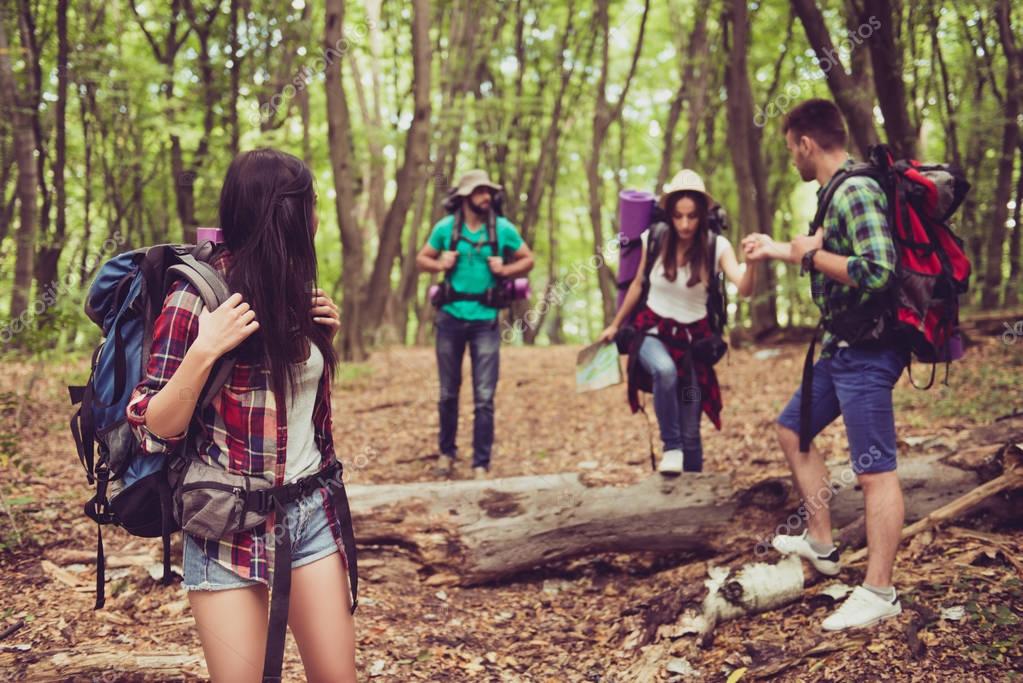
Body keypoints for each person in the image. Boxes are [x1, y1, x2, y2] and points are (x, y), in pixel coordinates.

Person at [126, 149, 357, 682]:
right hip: (226, 523)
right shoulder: (197, 294)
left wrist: (324, 343)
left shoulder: (294, 286)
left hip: (310, 513)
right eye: (311, 204)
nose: (318, 215)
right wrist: (204, 351)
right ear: (283, 212)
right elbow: (150, 426)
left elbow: (295, 415)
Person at [742, 98, 905, 631]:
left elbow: (878, 270)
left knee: (875, 472)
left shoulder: (855, 190)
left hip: (867, 351)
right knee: (793, 431)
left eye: (792, 149)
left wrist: (810, 256)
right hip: (840, 348)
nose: (792, 159)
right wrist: (779, 249)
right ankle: (821, 543)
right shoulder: (835, 193)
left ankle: (880, 591)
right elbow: (825, 252)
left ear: (807, 144)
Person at [598, 170, 754, 475]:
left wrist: (756, 262)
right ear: (669, 214)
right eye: (678, 216)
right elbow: (638, 285)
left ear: (703, 215)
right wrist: (615, 324)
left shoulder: (717, 246)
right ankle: (670, 447)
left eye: (692, 217)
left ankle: (692, 501)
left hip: (694, 346)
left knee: (692, 434)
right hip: (651, 332)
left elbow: (744, 287)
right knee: (665, 372)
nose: (684, 224)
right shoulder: (653, 238)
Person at [416, 170, 534, 479]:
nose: (487, 197)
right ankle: (446, 455)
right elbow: (421, 259)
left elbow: (528, 260)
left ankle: (481, 463)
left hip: (486, 321)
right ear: (466, 196)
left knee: (484, 395)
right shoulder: (446, 228)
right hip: (450, 318)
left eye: (489, 192)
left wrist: (506, 269)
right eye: (481, 192)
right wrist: (441, 263)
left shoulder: (503, 229)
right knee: (447, 392)